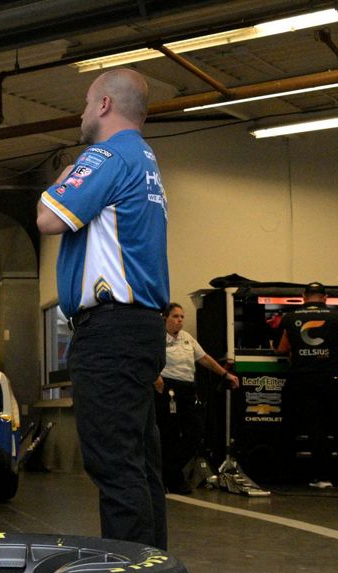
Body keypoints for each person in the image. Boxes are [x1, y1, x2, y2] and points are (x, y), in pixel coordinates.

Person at [36, 68, 169, 548]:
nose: (83, 113)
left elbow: (49, 218)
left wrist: (64, 178)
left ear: (106, 106)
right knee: (138, 464)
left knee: (114, 466)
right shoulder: (145, 161)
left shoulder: (107, 155)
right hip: (139, 328)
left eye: (87, 103)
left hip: (111, 332)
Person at [275, 282, 338, 489]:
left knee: (316, 429)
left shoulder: (290, 318)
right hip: (334, 378)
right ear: (325, 297)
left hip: (303, 380)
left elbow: (280, 349)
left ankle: (323, 478)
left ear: (303, 296)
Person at [154, 303, 239, 494]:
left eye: (182, 317)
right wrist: (155, 377)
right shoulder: (157, 337)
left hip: (187, 388)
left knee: (194, 433)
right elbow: (145, 359)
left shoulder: (187, 338)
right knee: (169, 434)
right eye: (176, 316)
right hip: (167, 388)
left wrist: (224, 374)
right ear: (165, 318)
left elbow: (204, 358)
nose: (180, 320)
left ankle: (170, 471)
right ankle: (171, 480)